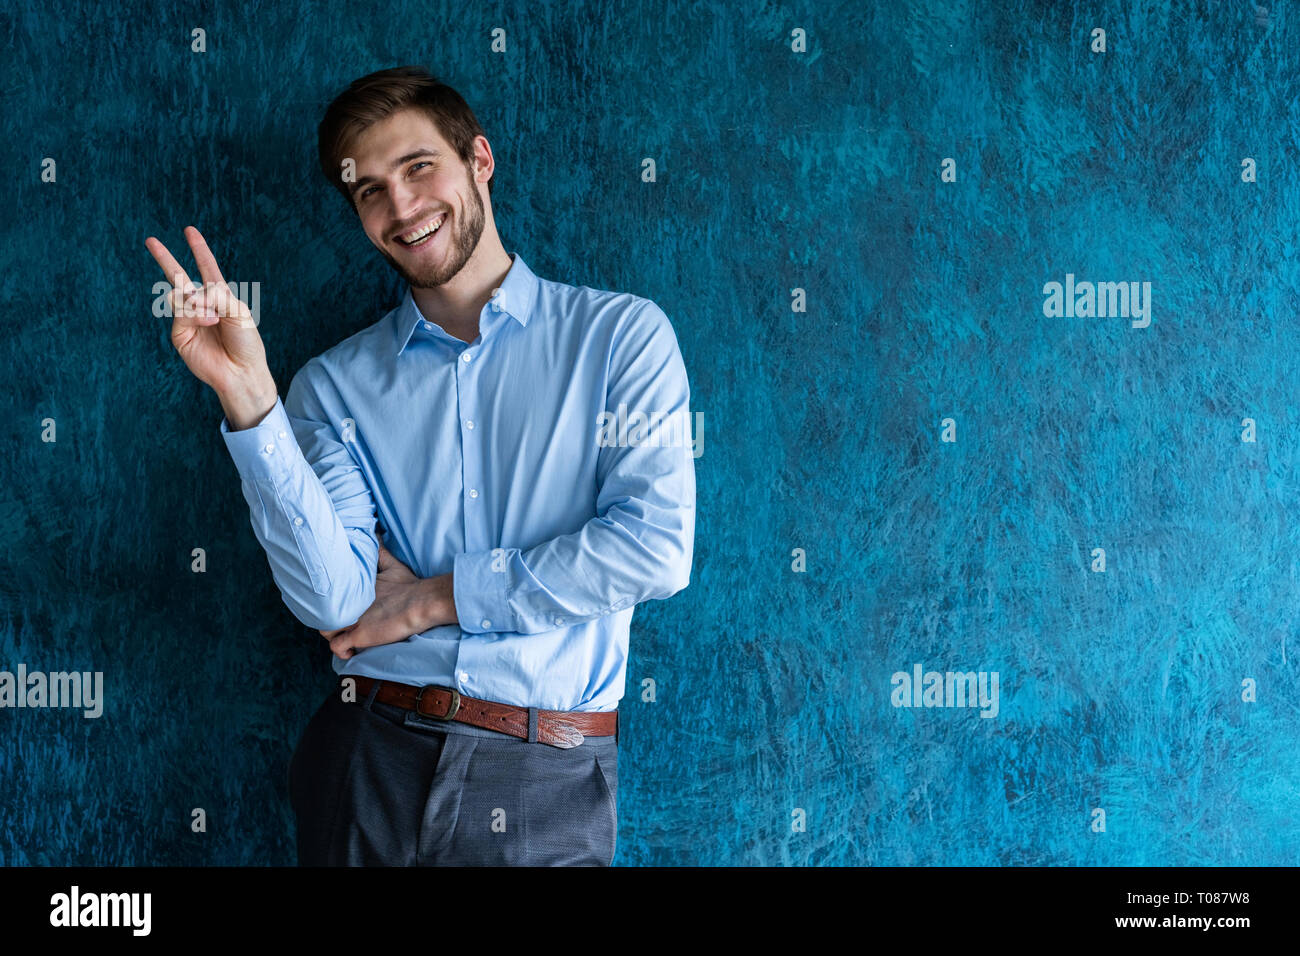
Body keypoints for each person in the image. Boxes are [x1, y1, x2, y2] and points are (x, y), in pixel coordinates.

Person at [144, 65, 696, 866]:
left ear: (479, 159)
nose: (401, 207)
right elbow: (333, 599)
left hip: (546, 773)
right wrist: (251, 400)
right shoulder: (329, 386)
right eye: (369, 190)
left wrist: (436, 598)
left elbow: (654, 550)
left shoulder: (622, 339)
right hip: (369, 757)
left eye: (418, 168)